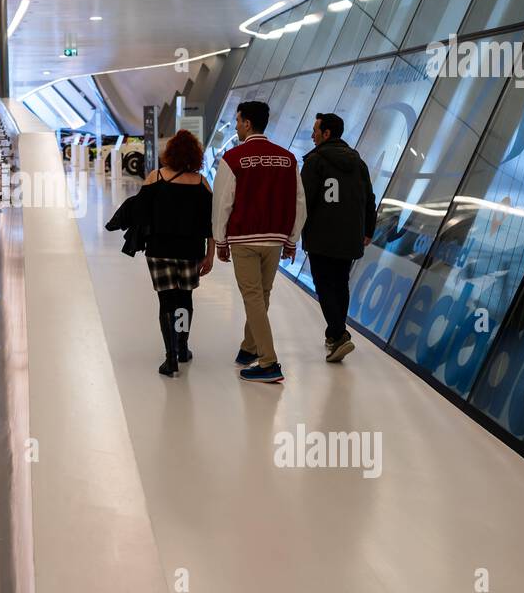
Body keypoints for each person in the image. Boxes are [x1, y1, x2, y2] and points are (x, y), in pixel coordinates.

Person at [212, 100, 306, 384]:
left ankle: (269, 362)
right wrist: (292, 239)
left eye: (238, 120)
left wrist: (220, 240)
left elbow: (223, 202)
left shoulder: (233, 159)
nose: (237, 125)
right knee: (262, 295)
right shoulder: (288, 159)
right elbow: (299, 202)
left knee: (252, 297)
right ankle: (249, 347)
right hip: (275, 240)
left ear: (248, 123)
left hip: (244, 239)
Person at [300, 113, 376, 363]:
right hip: (349, 235)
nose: (312, 135)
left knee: (323, 285)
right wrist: (368, 230)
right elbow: (369, 199)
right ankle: (334, 335)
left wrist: (293, 233)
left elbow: (304, 200)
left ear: (327, 133)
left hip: (321, 237)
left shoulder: (314, 162)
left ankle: (339, 334)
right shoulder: (359, 163)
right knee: (341, 284)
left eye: (315, 130)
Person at [141, 129, 214, 377]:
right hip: (190, 252)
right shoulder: (202, 183)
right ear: (195, 156)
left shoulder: (155, 177)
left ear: (169, 153)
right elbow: (210, 224)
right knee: (185, 299)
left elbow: (141, 214)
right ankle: (182, 347)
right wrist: (210, 254)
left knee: (166, 301)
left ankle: (170, 356)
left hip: (159, 251)